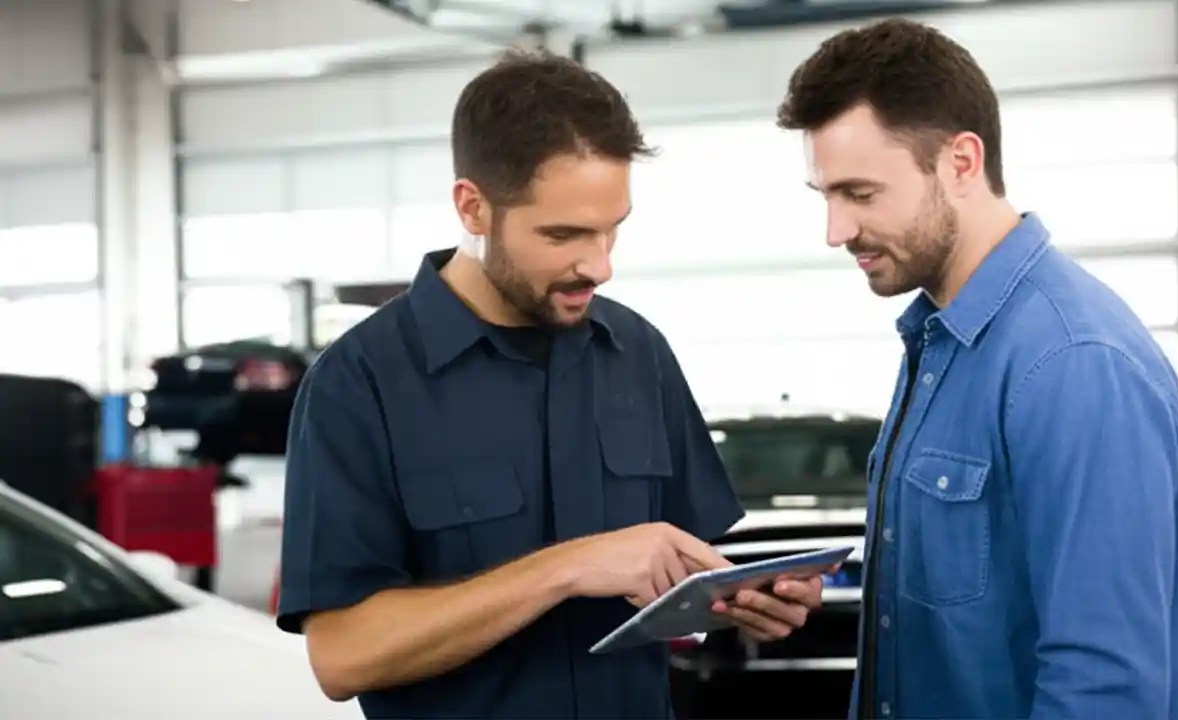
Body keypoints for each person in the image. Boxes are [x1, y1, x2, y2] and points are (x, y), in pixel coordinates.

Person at [275, 49, 825, 720]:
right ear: (473, 208)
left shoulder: (637, 353)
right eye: (563, 234)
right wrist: (564, 570)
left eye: (612, 230)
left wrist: (746, 598)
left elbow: (684, 572)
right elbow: (342, 658)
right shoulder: (358, 385)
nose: (600, 266)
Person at [775, 17, 1178, 720]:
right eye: (825, 196)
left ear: (960, 162)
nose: (836, 231)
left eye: (859, 194)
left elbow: (1105, 686)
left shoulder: (1072, 364)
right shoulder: (942, 342)